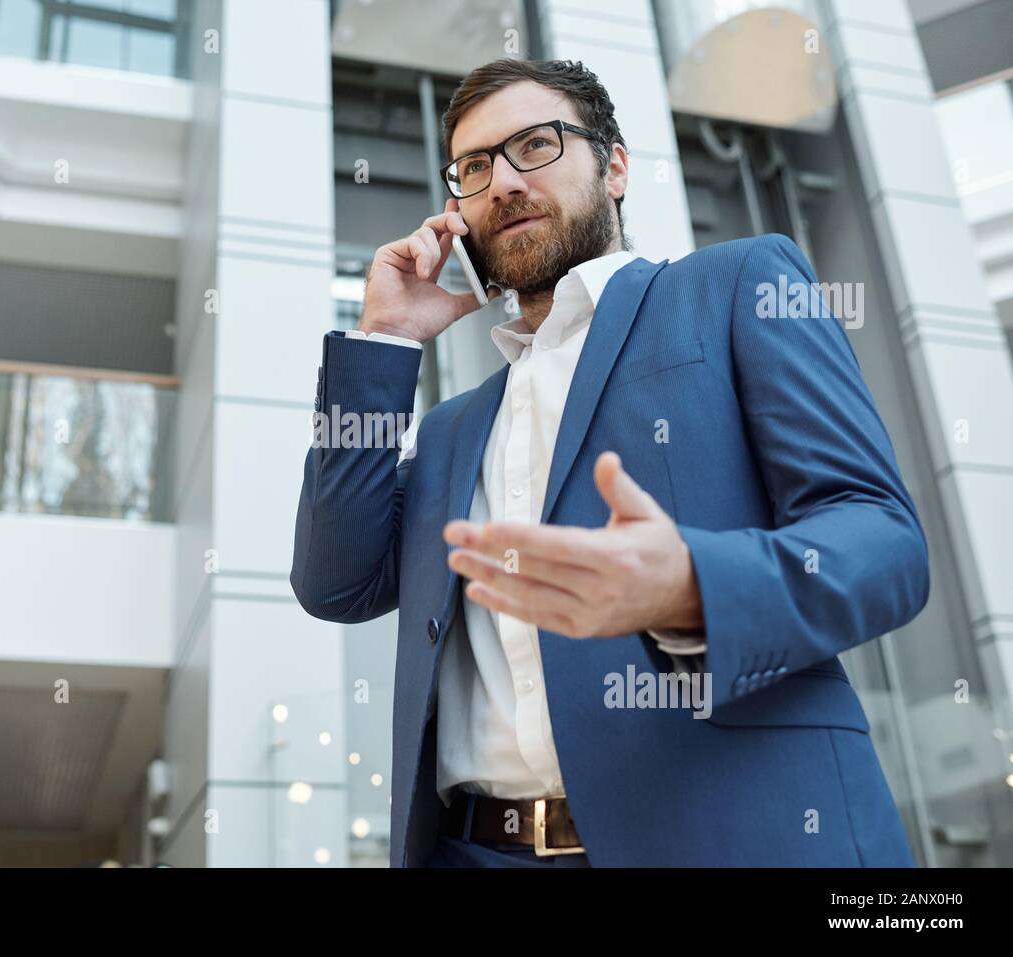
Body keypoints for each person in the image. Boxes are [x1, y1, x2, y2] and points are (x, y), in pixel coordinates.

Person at [290, 58, 929, 867]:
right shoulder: (452, 430)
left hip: (726, 838)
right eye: (476, 166)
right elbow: (333, 582)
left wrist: (694, 586)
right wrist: (382, 343)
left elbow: (884, 542)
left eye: (537, 145)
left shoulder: (736, 286)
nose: (504, 183)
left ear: (616, 166)